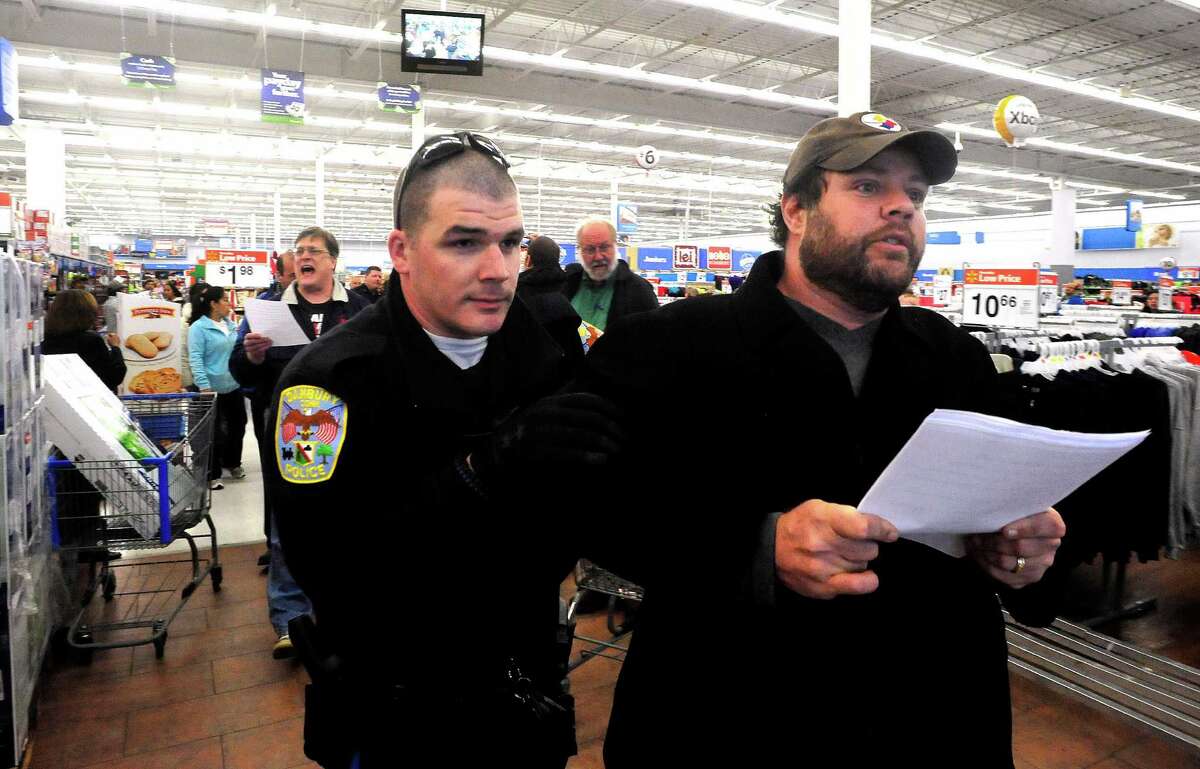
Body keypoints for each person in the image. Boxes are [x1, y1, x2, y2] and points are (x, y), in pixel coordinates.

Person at [572, 111, 1066, 768]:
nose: (900, 206)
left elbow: (1019, 513)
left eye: (915, 194)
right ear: (796, 210)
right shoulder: (668, 346)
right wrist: (757, 545)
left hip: (935, 725)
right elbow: (587, 504)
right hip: (728, 726)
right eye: (867, 186)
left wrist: (1026, 554)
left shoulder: (954, 359)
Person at [266, 132, 608, 768]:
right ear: (402, 250)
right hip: (397, 707)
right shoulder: (327, 387)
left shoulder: (546, 358)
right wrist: (481, 472)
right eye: (464, 242)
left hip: (523, 689)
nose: (497, 269)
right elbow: (329, 565)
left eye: (510, 243)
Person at [230, 226, 370, 659]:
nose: (304, 256)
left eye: (314, 251)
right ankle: (291, 620)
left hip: (348, 435)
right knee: (287, 525)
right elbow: (240, 372)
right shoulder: (266, 310)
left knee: (347, 521)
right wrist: (251, 357)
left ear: (332, 261)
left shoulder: (361, 310)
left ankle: (348, 611)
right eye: (299, 251)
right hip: (287, 434)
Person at [188, 285, 247, 489]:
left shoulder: (230, 325)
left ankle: (233, 463)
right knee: (213, 433)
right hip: (210, 388)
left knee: (238, 425)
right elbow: (195, 358)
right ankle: (212, 474)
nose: (228, 303)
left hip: (233, 384)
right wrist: (203, 385)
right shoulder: (198, 328)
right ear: (213, 304)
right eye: (224, 300)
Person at [562, 217, 658, 331]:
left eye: (604, 247)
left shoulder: (640, 291)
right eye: (590, 249)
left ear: (615, 246)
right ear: (579, 251)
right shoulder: (566, 285)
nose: (598, 256)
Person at [43, 289, 126, 392]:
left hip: (54, 400)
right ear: (88, 313)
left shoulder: (43, 339)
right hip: (89, 400)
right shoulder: (90, 341)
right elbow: (114, 377)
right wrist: (115, 347)